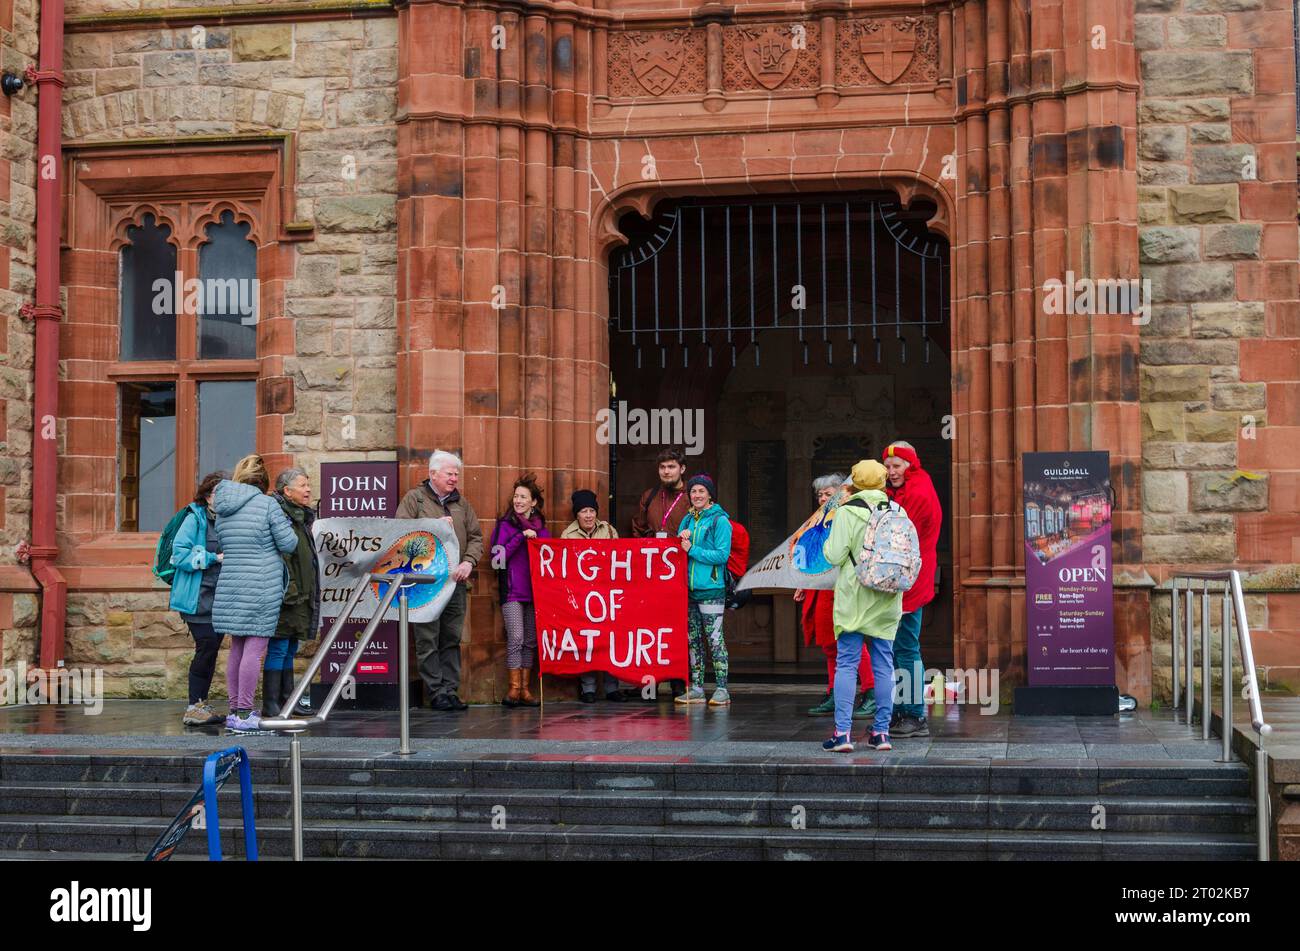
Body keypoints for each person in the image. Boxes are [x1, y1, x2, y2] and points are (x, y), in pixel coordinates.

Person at [821, 460, 904, 753]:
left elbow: (832, 555)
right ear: (883, 483)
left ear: (854, 484)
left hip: (854, 599)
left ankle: (842, 734)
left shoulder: (846, 512)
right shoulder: (898, 511)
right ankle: (881, 733)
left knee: (847, 663)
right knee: (884, 664)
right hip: (888, 597)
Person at [212, 454, 298, 732]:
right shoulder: (267, 504)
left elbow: (224, 542)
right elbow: (288, 544)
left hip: (231, 584)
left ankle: (236, 709)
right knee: (255, 650)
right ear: (263, 482)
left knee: (237, 647)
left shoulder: (223, 507)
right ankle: (246, 712)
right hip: (261, 584)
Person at [395, 450, 484, 711]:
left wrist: (468, 561)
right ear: (433, 474)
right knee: (427, 640)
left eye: (457, 473)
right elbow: (400, 533)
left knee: (451, 638)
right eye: (449, 473)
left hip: (454, 583)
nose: (455, 478)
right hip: (425, 583)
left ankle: (450, 690)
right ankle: (435, 692)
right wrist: (433, 524)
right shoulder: (415, 499)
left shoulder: (462, 504)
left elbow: (476, 537)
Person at [795, 474, 874, 720]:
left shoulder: (846, 517)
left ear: (842, 494)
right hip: (821, 588)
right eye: (820, 495)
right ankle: (834, 693)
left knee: (850, 642)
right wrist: (803, 583)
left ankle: (871, 692)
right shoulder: (818, 521)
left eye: (828, 494)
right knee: (830, 645)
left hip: (843, 587)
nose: (822, 499)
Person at [882, 441, 943, 738]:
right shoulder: (902, 489)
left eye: (897, 466)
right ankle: (900, 711)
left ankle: (915, 714)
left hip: (909, 582)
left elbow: (897, 535)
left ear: (910, 465)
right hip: (900, 580)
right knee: (895, 649)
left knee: (905, 648)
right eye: (888, 466)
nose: (891, 472)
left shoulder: (917, 492)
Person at [631, 448, 692, 699]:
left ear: (682, 469)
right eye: (662, 467)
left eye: (671, 467)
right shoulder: (650, 495)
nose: (666, 471)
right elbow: (638, 526)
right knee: (651, 626)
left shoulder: (692, 495)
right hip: (653, 573)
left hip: (683, 572)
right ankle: (650, 683)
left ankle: (680, 683)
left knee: (680, 628)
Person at [171, 471, 228, 727]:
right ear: (207, 496)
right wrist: (212, 558)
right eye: (218, 493)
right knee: (205, 647)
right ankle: (194, 706)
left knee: (211, 650)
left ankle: (200, 705)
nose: (223, 498)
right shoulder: (194, 518)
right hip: (197, 598)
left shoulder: (228, 519)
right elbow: (179, 554)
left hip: (221, 599)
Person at [490, 473, 551, 707]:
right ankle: (513, 689)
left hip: (535, 594)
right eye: (516, 496)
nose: (518, 501)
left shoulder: (543, 530)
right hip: (512, 592)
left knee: (530, 641)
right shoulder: (504, 525)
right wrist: (520, 538)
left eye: (523, 497)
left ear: (533, 502)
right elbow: (496, 559)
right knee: (515, 638)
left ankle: (525, 689)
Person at [264, 467, 320, 719]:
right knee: (278, 648)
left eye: (308, 485)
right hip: (287, 595)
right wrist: (291, 591)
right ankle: (271, 703)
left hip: (300, 595)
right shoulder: (279, 515)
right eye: (302, 485)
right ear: (287, 491)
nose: (308, 489)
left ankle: (288, 699)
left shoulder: (299, 515)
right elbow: (282, 556)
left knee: (288, 648)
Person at [561, 489, 626, 703]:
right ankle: (588, 688)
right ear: (576, 514)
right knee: (586, 640)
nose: (588, 515)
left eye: (591, 511)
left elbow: (621, 559)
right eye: (583, 511)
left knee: (610, 640)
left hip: (607, 595)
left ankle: (611, 687)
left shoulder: (608, 530)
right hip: (582, 596)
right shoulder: (567, 535)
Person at [674, 474, 733, 707]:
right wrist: (682, 537)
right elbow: (677, 547)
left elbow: (721, 555)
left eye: (701, 491)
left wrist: (692, 549)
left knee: (715, 639)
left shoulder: (720, 521)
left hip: (711, 590)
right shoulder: (687, 520)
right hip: (688, 591)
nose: (696, 495)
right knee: (693, 641)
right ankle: (696, 688)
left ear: (710, 494)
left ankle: (722, 689)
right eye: (693, 492)